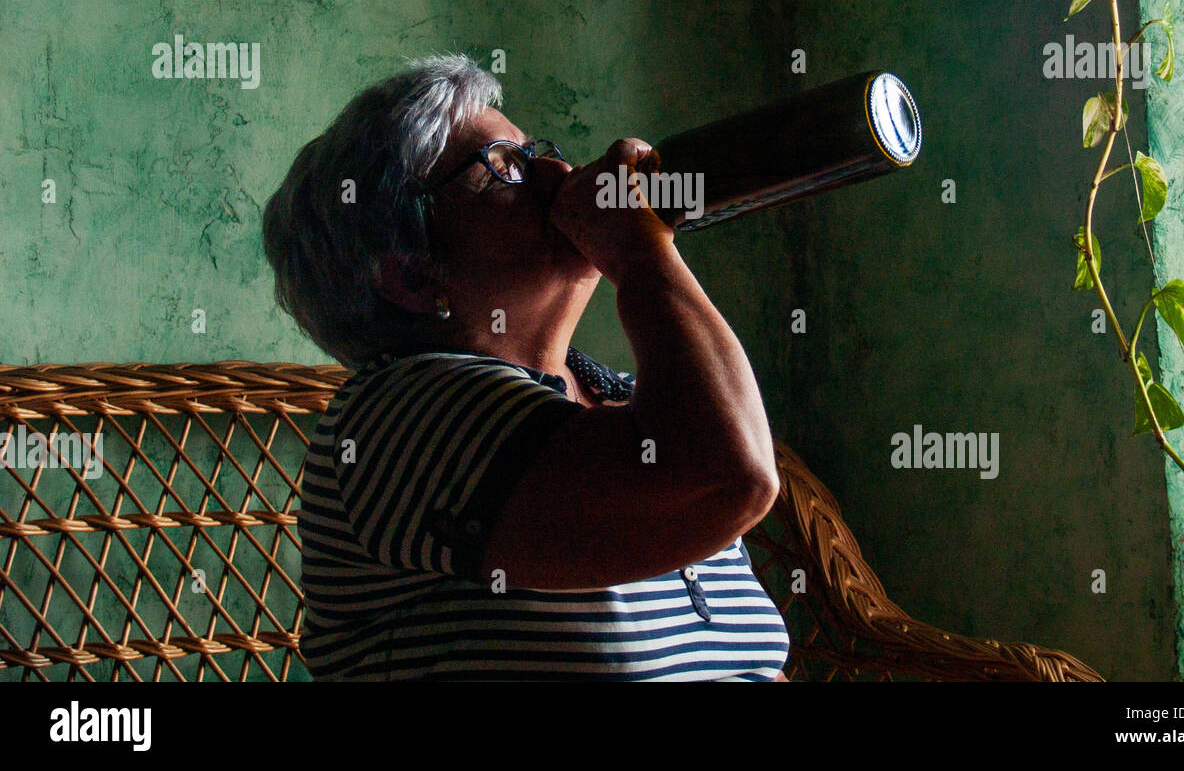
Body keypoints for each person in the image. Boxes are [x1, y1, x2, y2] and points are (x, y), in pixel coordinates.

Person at [261, 52, 790, 679]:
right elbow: (728, 477)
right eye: (503, 168)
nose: (559, 173)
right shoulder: (396, 415)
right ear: (408, 271)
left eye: (538, 150)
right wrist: (637, 247)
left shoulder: (624, 397)